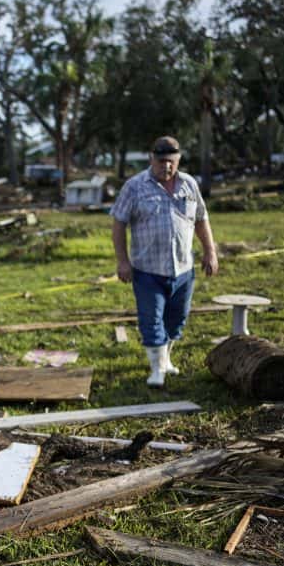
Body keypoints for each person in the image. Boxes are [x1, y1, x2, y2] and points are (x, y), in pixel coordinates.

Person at [111, 136, 218, 387]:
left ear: (178, 160)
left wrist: (210, 252)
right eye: (161, 161)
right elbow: (118, 223)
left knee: (177, 319)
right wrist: (122, 261)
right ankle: (156, 370)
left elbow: (201, 219)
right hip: (148, 269)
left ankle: (166, 360)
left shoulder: (188, 184)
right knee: (152, 319)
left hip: (183, 268)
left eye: (171, 161)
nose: (166, 167)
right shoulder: (135, 186)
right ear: (152, 159)